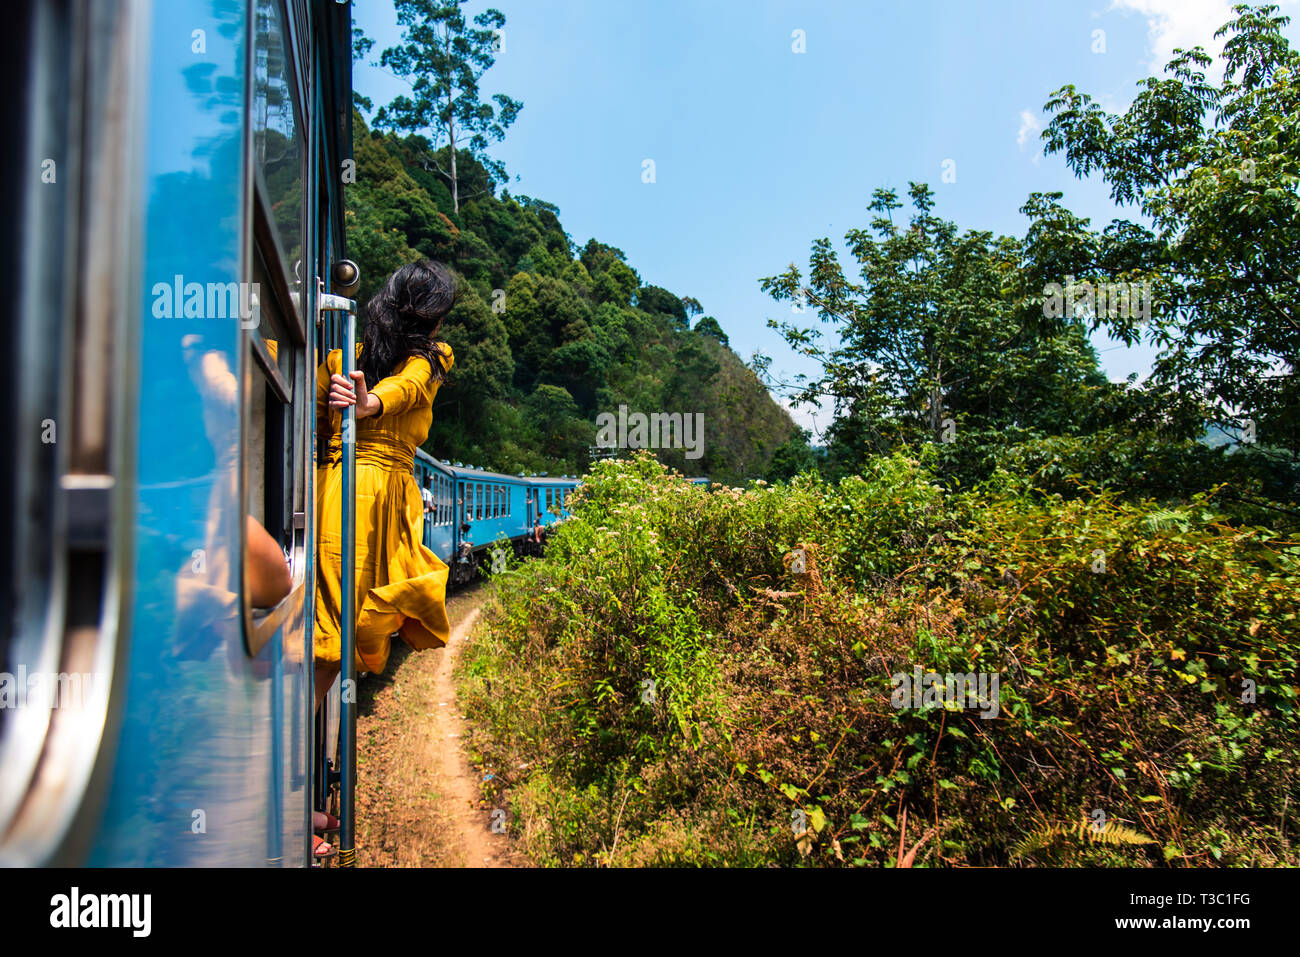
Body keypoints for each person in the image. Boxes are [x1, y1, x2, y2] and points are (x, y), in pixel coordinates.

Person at [313, 259, 456, 708]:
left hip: (330, 487)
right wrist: (370, 403)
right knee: (343, 633)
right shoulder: (434, 357)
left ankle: (296, 732)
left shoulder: (341, 358)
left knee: (335, 624)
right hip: (374, 499)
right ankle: (290, 747)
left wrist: (367, 402)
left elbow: (314, 415)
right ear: (431, 316)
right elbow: (412, 387)